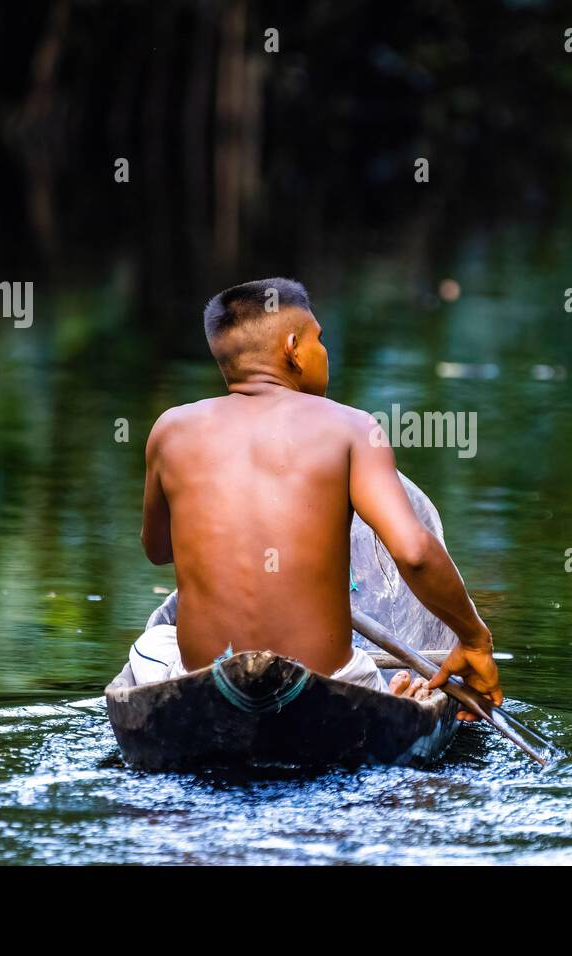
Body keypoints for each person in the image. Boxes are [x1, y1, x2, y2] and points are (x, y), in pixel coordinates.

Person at [129, 278, 501, 719]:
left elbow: (158, 550)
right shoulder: (352, 428)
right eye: (319, 339)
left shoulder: (170, 430)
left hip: (203, 679)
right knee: (359, 682)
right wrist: (475, 640)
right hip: (333, 684)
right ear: (292, 348)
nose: (325, 352)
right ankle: (395, 700)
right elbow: (416, 553)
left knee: (154, 643)